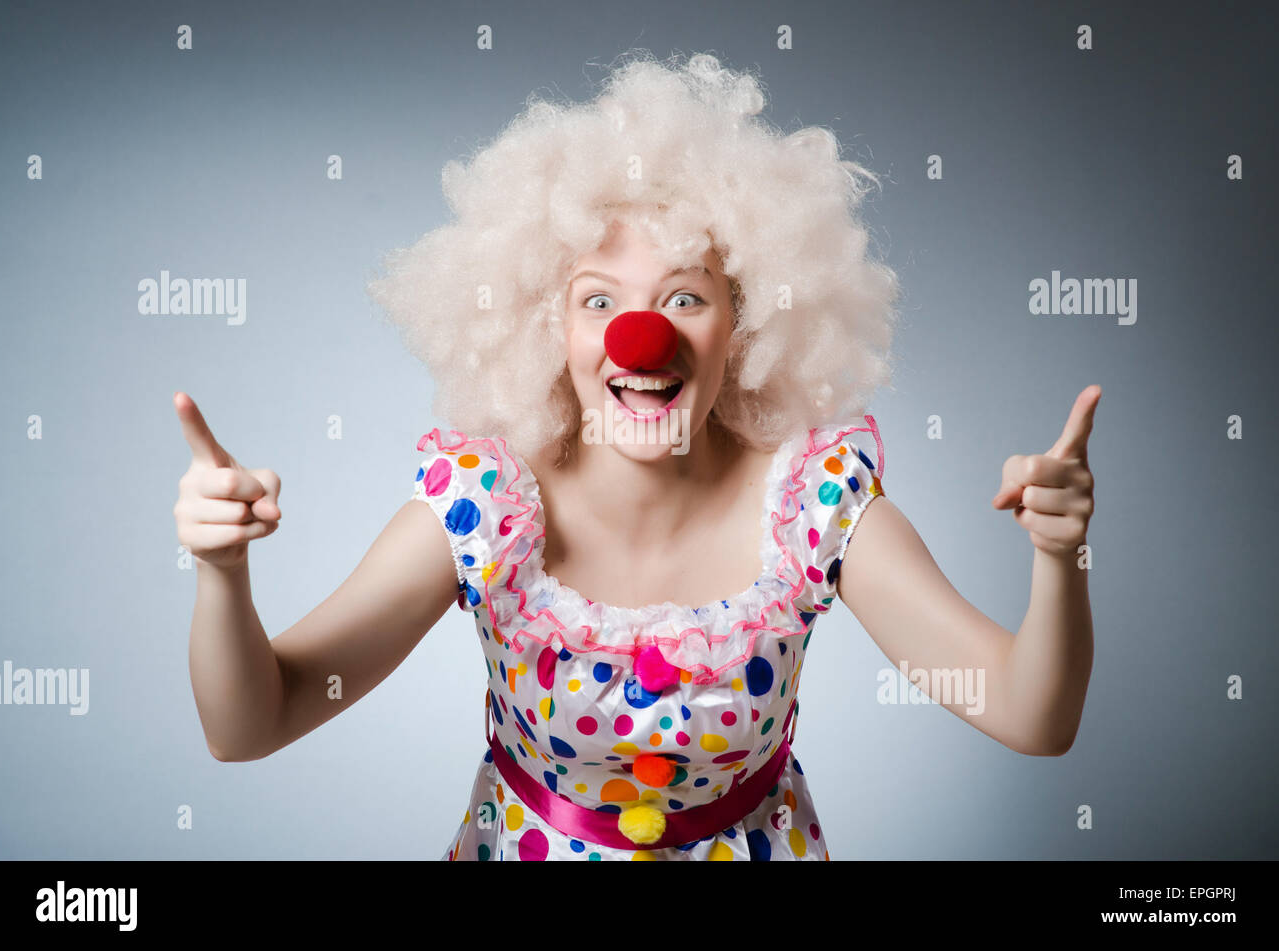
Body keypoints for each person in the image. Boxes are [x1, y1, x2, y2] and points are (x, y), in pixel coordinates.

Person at [174, 52, 1098, 861]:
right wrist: (221, 571)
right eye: (598, 301)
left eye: (686, 297)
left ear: (748, 327)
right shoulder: (485, 509)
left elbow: (1030, 714)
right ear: (545, 330)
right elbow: (252, 723)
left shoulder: (814, 503)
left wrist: (1060, 560)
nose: (642, 337)